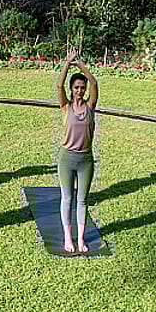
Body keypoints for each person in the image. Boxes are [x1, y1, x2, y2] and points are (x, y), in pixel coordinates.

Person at [55, 49, 98, 253]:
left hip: (86, 160)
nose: (80, 90)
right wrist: (67, 63)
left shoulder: (90, 106)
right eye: (76, 87)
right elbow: (58, 85)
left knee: (82, 200)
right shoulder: (66, 107)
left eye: (82, 87)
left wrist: (80, 64)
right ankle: (67, 238)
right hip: (67, 159)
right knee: (67, 198)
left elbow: (94, 83)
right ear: (71, 89)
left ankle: (80, 240)